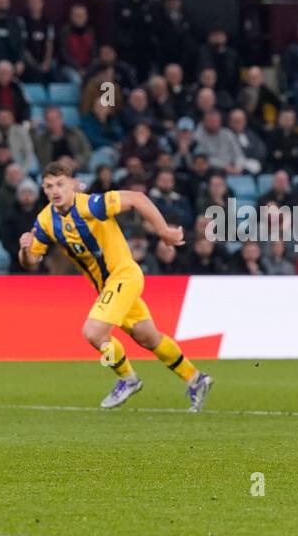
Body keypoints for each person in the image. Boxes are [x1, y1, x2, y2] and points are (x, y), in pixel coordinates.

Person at [18, 162, 214, 411]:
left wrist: (163, 230)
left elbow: (136, 198)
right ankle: (196, 379)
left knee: (93, 333)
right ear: (44, 190)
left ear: (73, 185)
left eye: (60, 184)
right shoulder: (46, 220)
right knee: (148, 337)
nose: (55, 190)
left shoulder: (89, 205)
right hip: (108, 287)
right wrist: (25, 248)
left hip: (124, 276)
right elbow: (31, 262)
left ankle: (127, 379)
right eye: (49, 186)